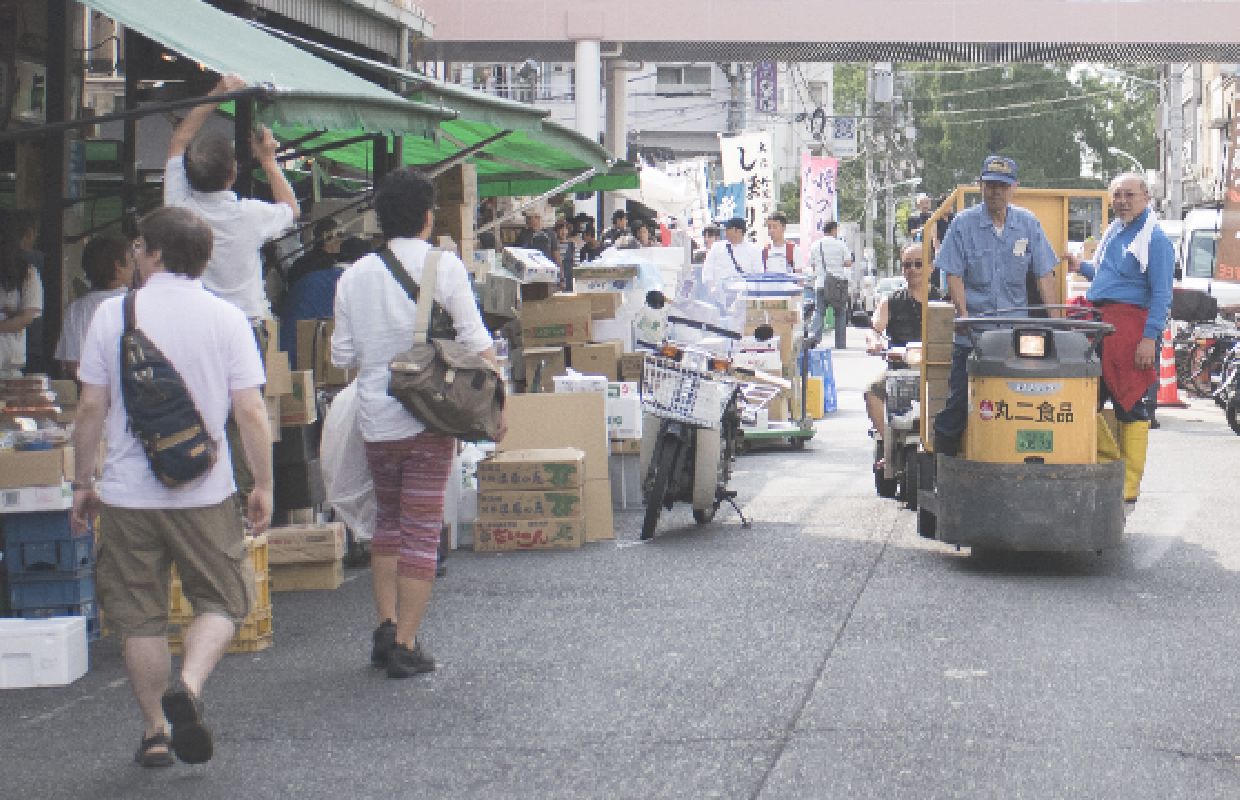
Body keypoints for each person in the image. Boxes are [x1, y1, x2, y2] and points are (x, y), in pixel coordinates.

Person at [71, 206, 272, 767]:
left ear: (154, 253)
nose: (134, 254)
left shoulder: (113, 315)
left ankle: (156, 729)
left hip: (129, 494)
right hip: (205, 491)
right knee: (225, 599)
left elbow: (90, 407)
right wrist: (263, 485)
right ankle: (187, 683)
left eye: (139, 247)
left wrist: (82, 483)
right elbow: (250, 411)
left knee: (140, 616)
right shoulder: (227, 318)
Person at [330, 168, 503, 679]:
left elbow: (343, 355)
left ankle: (385, 627)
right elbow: (477, 342)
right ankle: (406, 643)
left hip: (375, 421)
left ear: (381, 221)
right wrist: (501, 404)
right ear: (428, 218)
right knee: (422, 532)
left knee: (388, 523)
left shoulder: (354, 275)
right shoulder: (442, 267)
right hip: (428, 420)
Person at [932, 155, 1061, 457]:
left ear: (1014, 188)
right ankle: (944, 474)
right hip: (975, 335)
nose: (996, 192)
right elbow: (953, 274)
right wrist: (964, 317)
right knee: (959, 406)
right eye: (990, 185)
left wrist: (1057, 324)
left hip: (1017, 337)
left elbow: (1045, 275)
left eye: (1002, 186)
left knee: (1023, 405)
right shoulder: (963, 225)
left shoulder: (1027, 224)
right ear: (980, 186)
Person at [1067, 172, 1173, 507]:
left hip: (1131, 330)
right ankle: (1114, 465)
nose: (1123, 201)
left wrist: (1149, 339)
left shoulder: (1155, 239)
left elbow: (1161, 295)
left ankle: (1128, 484)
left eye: (1129, 194)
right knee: (1086, 400)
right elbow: (1107, 278)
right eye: (1117, 196)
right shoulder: (1116, 232)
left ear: (1146, 197)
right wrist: (1080, 266)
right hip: (1100, 325)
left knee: (1130, 405)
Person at [164, 73, 298, 320]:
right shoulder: (251, 214)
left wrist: (218, 92)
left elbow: (178, 142)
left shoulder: (179, 212)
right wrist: (268, 160)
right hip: (246, 322)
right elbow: (291, 208)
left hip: (197, 321)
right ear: (232, 175)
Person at [864, 245, 939, 436]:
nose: (912, 269)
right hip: (899, 371)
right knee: (872, 392)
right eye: (907, 265)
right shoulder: (891, 301)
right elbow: (874, 329)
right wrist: (874, 342)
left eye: (918, 264)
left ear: (931, 267)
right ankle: (887, 447)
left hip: (937, 371)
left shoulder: (943, 300)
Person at [55, 234, 133, 380]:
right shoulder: (136, 303)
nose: (134, 267)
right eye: (131, 261)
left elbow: (72, 364)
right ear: (118, 266)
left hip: (91, 392)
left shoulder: (76, 309)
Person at [0, 209, 44, 377]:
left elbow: (25, 318)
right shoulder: (28, 271)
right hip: (11, 361)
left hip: (9, 366)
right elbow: (25, 317)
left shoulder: (26, 272)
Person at [808, 220, 854, 349]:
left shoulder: (815, 245)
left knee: (819, 312)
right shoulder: (840, 245)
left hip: (821, 283)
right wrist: (837, 264)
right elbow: (848, 262)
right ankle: (840, 343)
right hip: (837, 284)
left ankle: (813, 339)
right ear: (834, 230)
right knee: (840, 313)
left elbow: (812, 265)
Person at [285, 217, 345, 288]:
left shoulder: (300, 262)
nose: (342, 240)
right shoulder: (331, 266)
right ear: (327, 237)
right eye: (340, 235)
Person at [702, 217, 762, 284]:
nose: (725, 232)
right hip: (720, 291)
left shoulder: (754, 250)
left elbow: (758, 274)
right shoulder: (717, 247)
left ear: (737, 231)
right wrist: (710, 286)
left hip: (744, 290)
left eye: (727, 229)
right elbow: (707, 269)